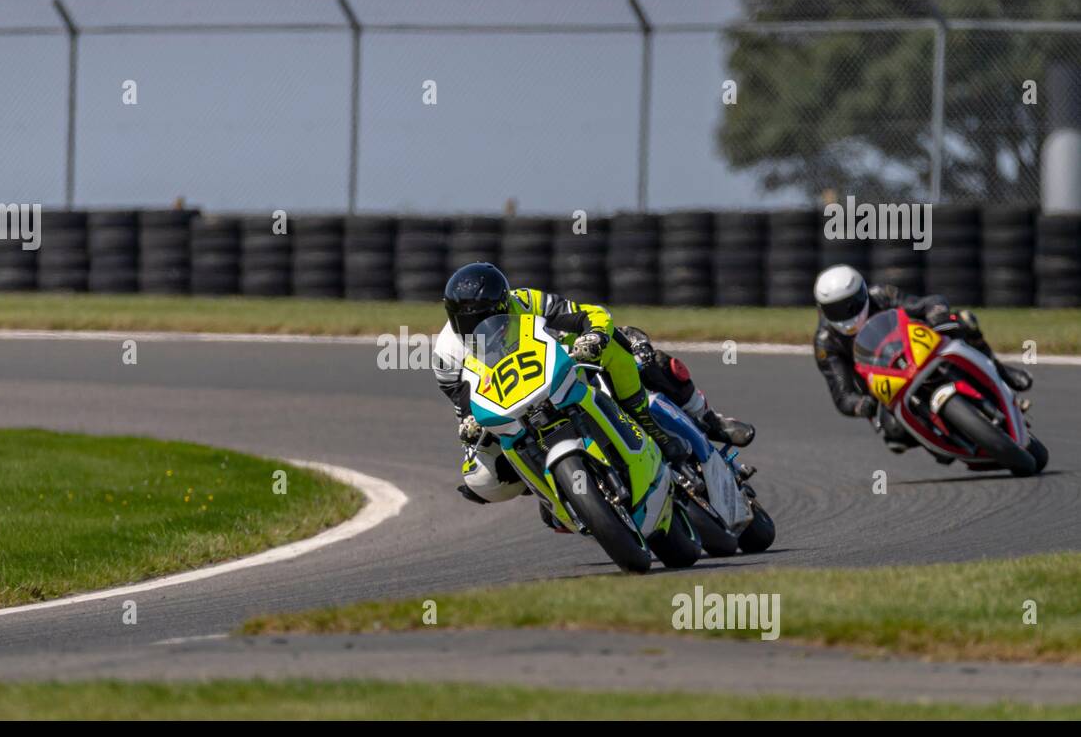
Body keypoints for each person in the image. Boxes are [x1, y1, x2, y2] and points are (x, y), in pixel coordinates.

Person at [432, 261, 754, 515]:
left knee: (641, 352)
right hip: (523, 405)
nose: (481, 326)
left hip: (565, 366)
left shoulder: (525, 300)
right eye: (470, 320)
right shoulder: (447, 355)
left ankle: (709, 419)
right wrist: (471, 427)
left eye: (490, 316)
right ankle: (557, 492)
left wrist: (594, 335)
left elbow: (581, 314)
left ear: (505, 303)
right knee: (484, 473)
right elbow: (466, 406)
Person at [812, 264, 1033, 454]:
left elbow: (928, 303)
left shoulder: (881, 295)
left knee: (964, 320)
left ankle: (1000, 371)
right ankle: (940, 438)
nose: (846, 314)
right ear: (822, 311)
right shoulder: (826, 342)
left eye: (851, 304)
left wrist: (937, 316)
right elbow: (842, 395)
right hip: (883, 387)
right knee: (896, 435)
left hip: (917, 350)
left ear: (863, 292)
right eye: (835, 309)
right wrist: (862, 405)